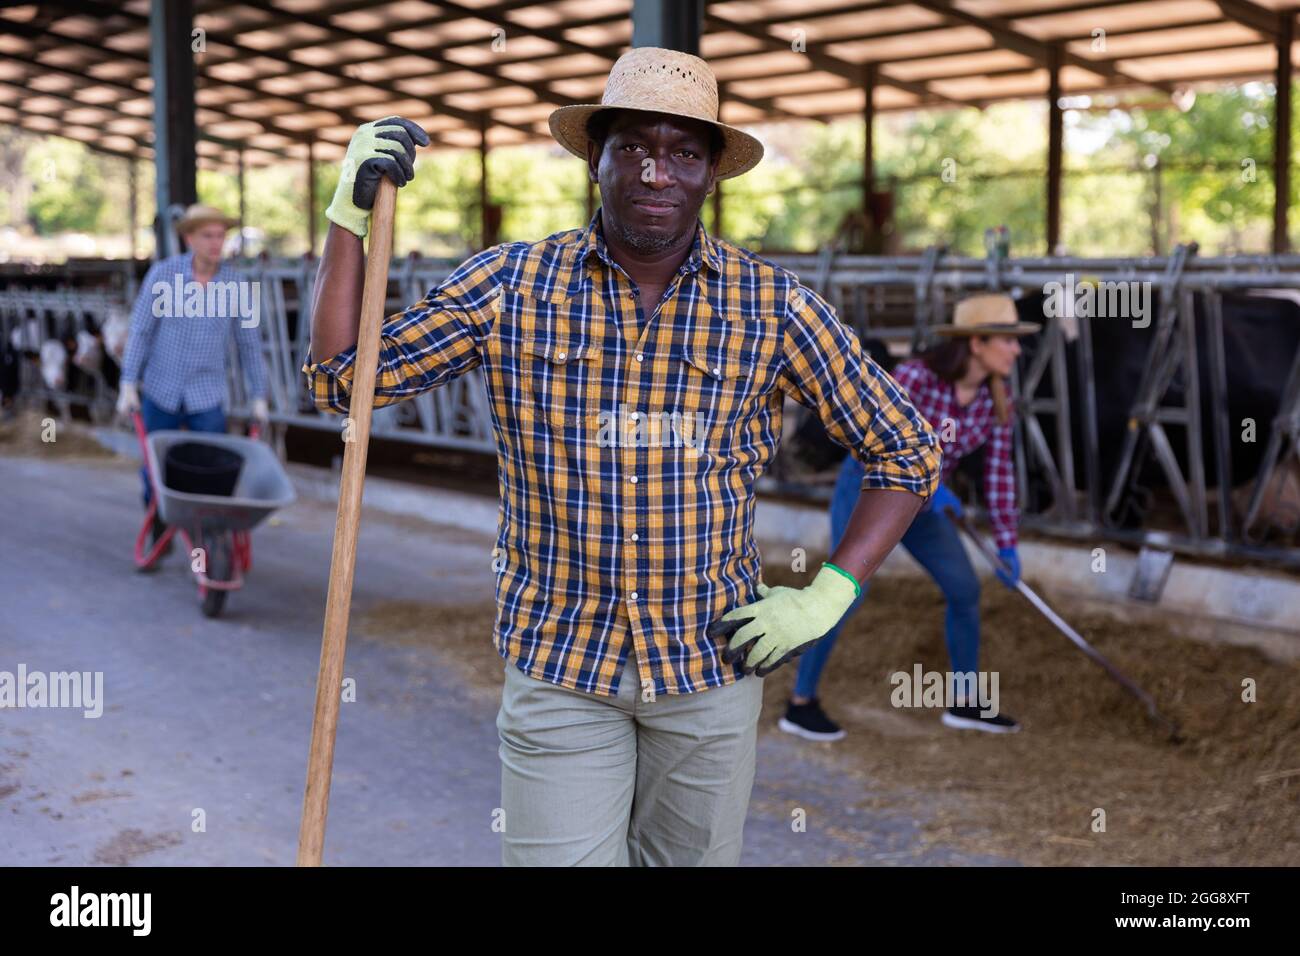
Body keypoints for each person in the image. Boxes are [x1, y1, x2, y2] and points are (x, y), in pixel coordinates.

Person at [304, 47, 941, 867]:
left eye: (682, 152)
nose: (655, 172)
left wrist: (827, 595)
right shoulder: (512, 286)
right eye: (633, 147)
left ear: (713, 173)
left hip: (709, 668)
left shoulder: (771, 306)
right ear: (595, 159)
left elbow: (908, 449)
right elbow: (344, 381)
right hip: (562, 667)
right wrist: (347, 219)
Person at [781, 293, 1039, 741]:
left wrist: (1007, 542)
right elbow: (873, 440)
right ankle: (799, 704)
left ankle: (964, 700)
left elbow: (999, 474)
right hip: (870, 492)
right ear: (977, 343)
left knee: (963, 588)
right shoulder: (916, 377)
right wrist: (933, 487)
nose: (1017, 350)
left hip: (924, 508)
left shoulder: (995, 399)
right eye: (1008, 340)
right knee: (842, 594)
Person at [116, 204, 269, 552]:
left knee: (210, 470)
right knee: (154, 469)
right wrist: (128, 383)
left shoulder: (236, 284)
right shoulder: (162, 275)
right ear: (189, 238)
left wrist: (259, 395)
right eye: (207, 236)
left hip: (206, 394)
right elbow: (140, 331)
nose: (216, 244)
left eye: (220, 236)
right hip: (161, 389)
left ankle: (208, 538)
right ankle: (158, 521)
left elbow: (249, 343)